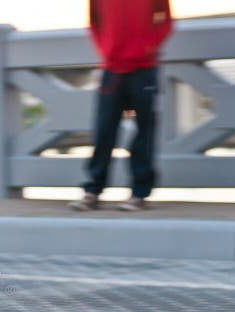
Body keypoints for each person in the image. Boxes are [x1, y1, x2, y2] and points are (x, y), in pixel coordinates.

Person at [70, 0, 172, 211]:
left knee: (145, 131)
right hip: (111, 69)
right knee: (104, 129)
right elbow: (94, 22)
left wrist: (149, 46)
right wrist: (106, 49)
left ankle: (139, 194)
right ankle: (92, 191)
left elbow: (166, 21)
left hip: (144, 69)